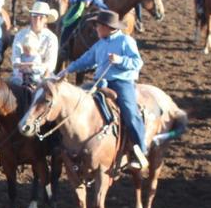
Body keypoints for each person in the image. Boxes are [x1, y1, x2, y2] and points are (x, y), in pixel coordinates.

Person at [59, 9, 149, 170]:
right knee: (78, 101)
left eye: (98, 26)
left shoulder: (125, 41)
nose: (96, 29)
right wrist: (67, 70)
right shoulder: (99, 44)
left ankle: (140, 150)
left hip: (121, 82)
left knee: (129, 111)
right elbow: (85, 60)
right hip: (99, 83)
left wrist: (120, 60)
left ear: (108, 27)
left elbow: (137, 62)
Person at [10, 2, 59, 88]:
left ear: (46, 19)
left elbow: (51, 64)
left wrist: (34, 68)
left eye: (41, 17)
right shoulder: (20, 35)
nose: (37, 19)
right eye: (35, 16)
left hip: (44, 76)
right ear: (31, 17)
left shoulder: (52, 38)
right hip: (21, 75)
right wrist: (21, 68)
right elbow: (15, 57)